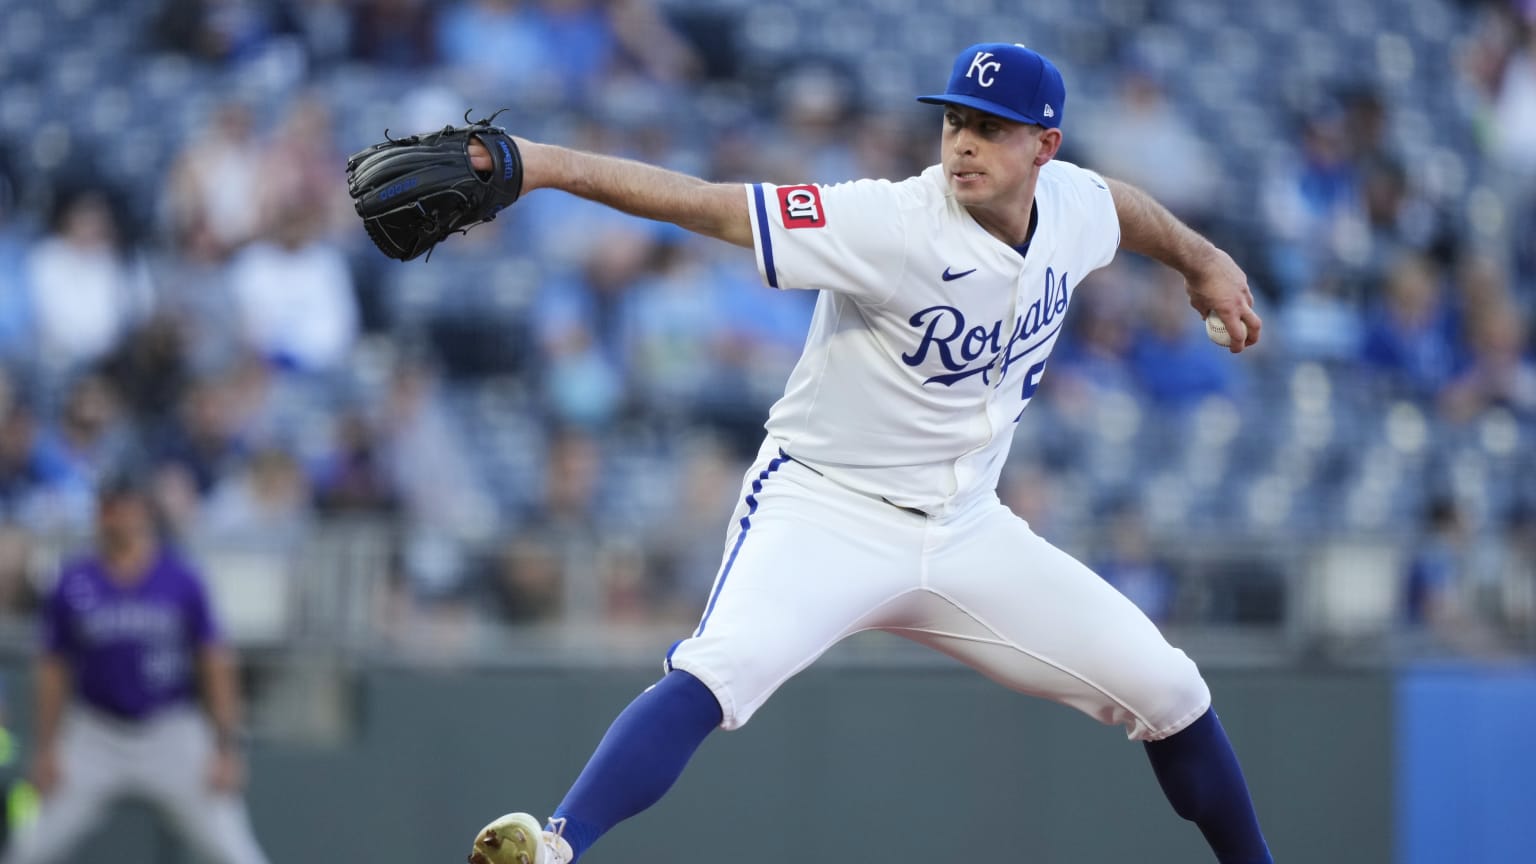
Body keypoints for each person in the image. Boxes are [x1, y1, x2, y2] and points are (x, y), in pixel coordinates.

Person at [463, 43, 1272, 864]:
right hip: (826, 509)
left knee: (1171, 690)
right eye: (955, 121)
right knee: (720, 670)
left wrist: (1202, 259)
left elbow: (1120, 207)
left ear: (1045, 146)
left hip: (967, 527)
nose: (963, 143)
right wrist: (547, 164)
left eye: (991, 129)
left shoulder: (1071, 205)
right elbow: (711, 206)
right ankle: (557, 846)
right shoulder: (890, 222)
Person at [3, 475, 270, 864]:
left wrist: (226, 747)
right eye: (110, 508)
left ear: (145, 512)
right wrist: (46, 748)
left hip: (171, 731)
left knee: (235, 851)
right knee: (29, 849)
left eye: (127, 507)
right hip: (94, 733)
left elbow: (215, 662)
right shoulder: (74, 581)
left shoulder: (181, 579)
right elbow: (53, 669)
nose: (118, 518)